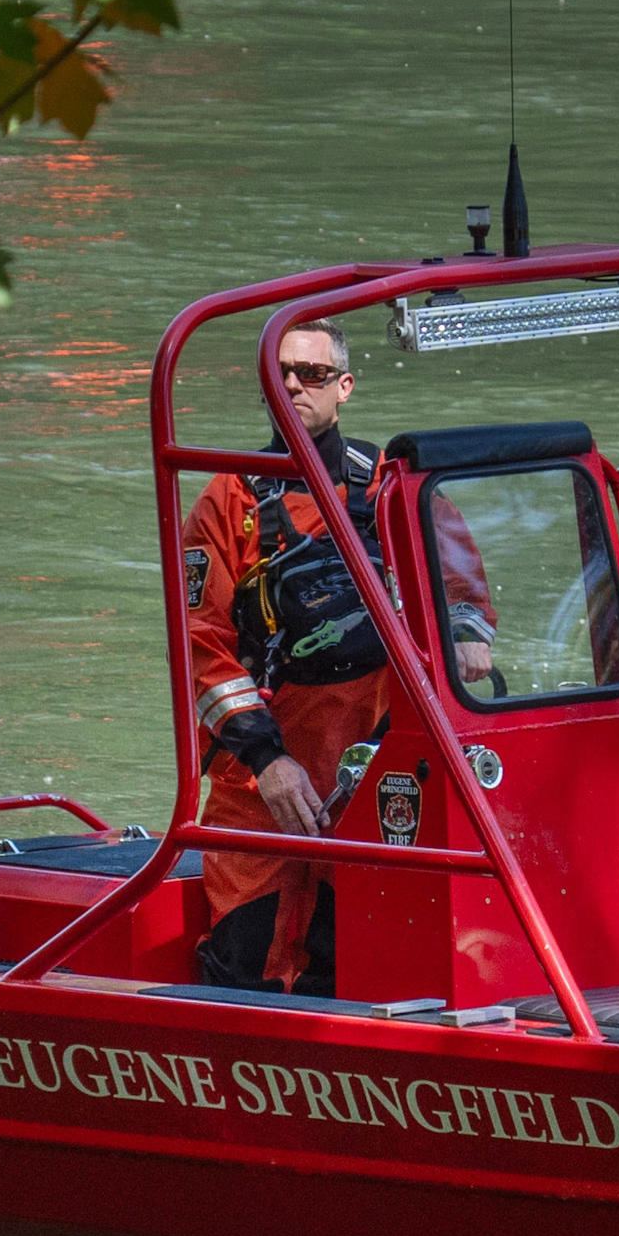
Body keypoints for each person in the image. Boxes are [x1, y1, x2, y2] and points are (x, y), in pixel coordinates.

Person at [179, 324, 492, 991]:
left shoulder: (388, 485)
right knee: (245, 959)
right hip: (259, 782)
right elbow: (200, 641)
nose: (294, 385)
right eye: (281, 373)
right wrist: (266, 761)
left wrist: (467, 632)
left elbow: (459, 582)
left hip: (375, 768)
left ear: (344, 388)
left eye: (313, 374)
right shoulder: (227, 499)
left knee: (355, 955)